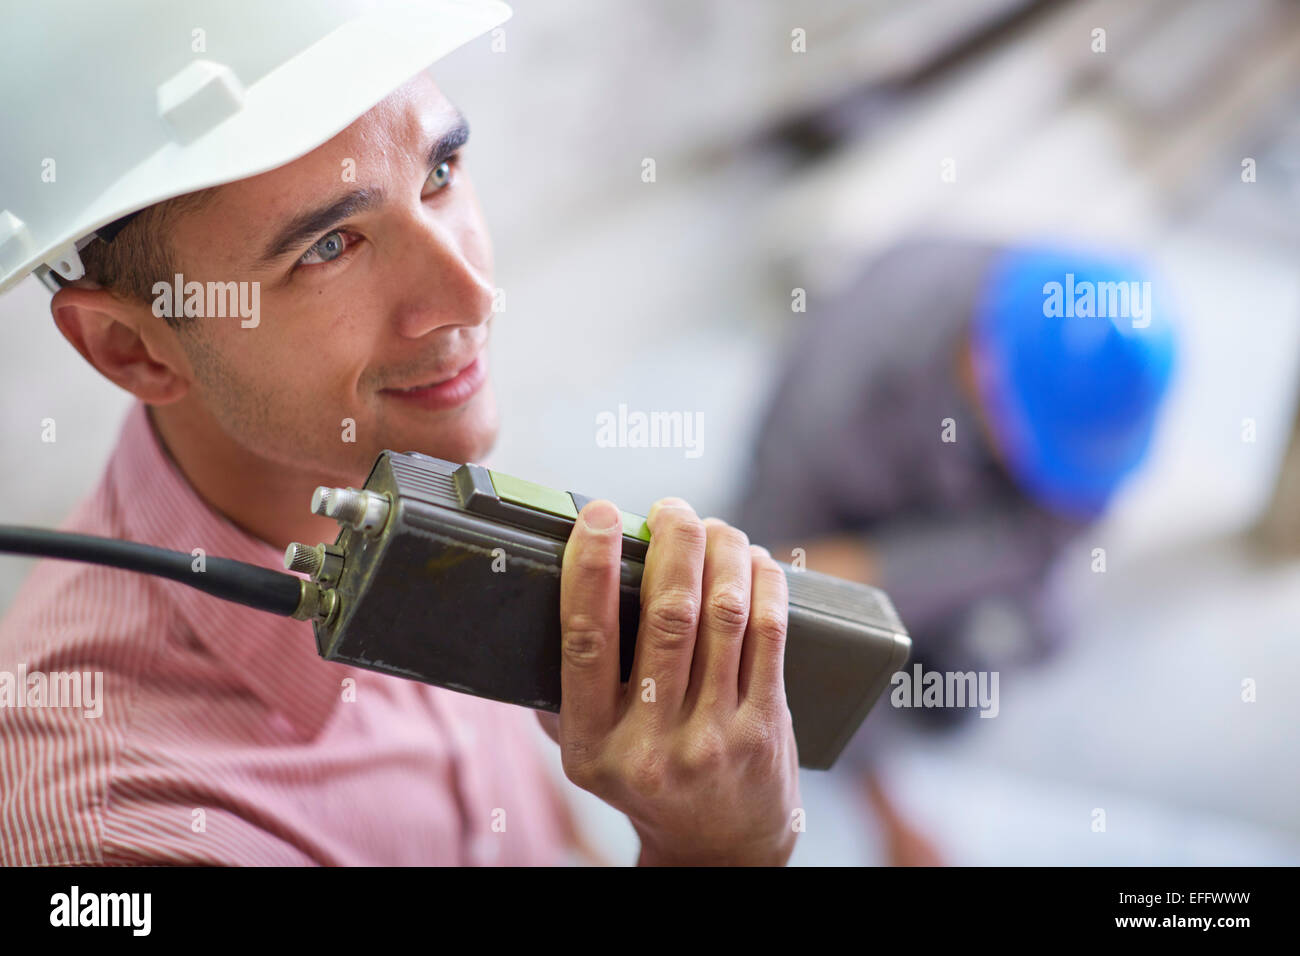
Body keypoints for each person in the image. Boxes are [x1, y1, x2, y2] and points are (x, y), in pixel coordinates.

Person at [0, 0, 799, 866]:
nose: (469, 296)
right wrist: (716, 851)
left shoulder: (392, 461)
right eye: (331, 247)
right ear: (132, 348)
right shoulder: (117, 830)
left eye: (442, 169)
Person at [733, 237, 1176, 865]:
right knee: (802, 645)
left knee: (1030, 637)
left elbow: (1059, 529)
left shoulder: (1079, 357)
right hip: (837, 521)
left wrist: (896, 569)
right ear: (982, 372)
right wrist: (885, 813)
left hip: (910, 537)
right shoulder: (840, 390)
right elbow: (783, 581)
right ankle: (869, 763)